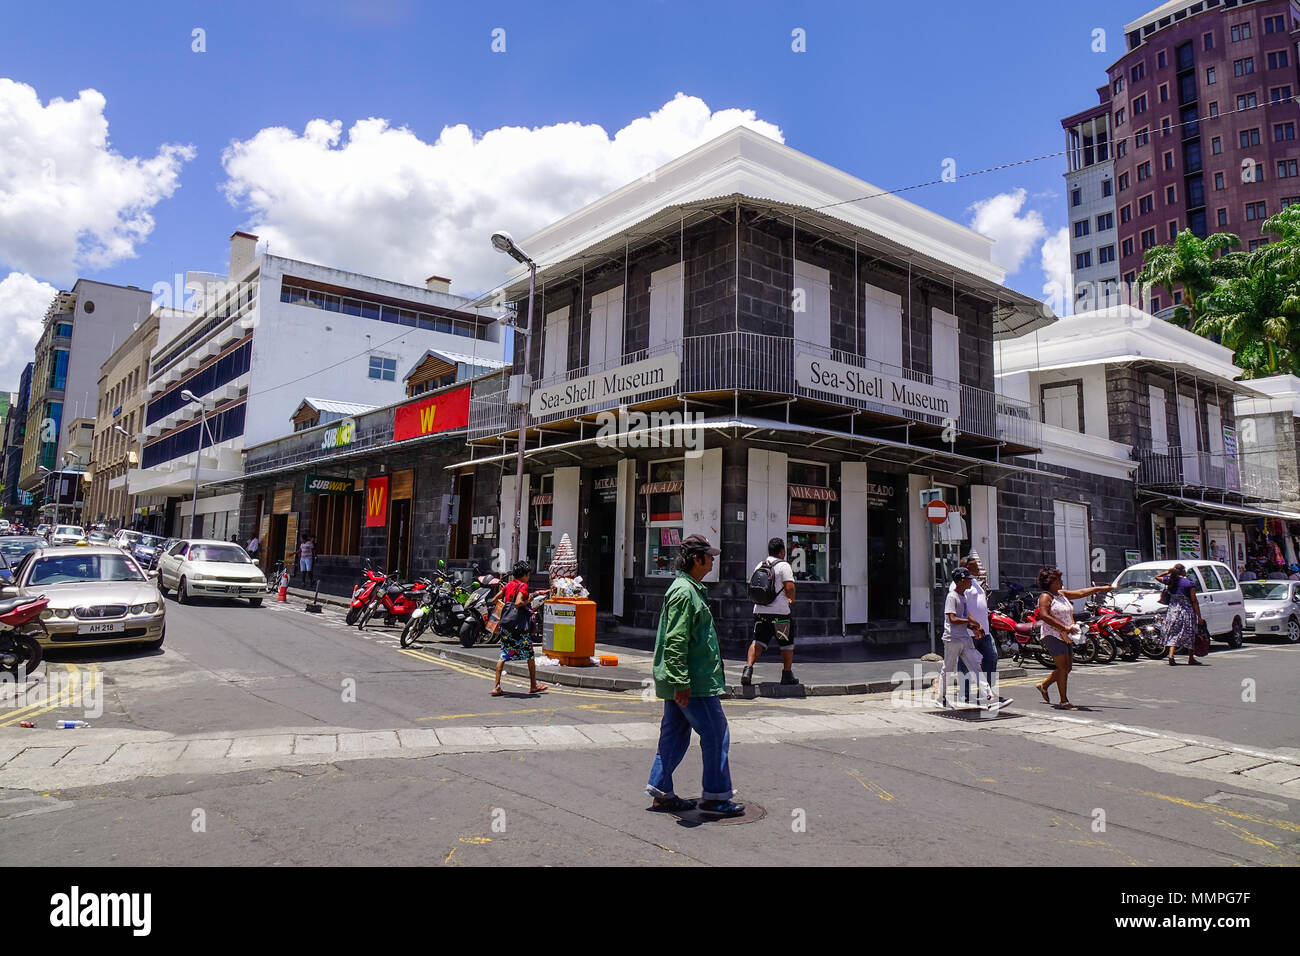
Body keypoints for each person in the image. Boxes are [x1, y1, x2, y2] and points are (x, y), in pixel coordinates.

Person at [645, 533, 743, 817]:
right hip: (694, 682)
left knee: (675, 736)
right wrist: (681, 681)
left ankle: (661, 792)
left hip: (687, 679)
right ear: (696, 559)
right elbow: (676, 640)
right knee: (716, 733)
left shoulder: (689, 589)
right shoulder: (685, 592)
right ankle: (715, 797)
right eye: (709, 556)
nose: (713, 560)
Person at [1034, 566, 1112, 709]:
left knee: (1067, 667)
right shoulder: (1046, 596)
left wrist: (1099, 589)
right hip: (1053, 634)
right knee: (1063, 667)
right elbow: (1043, 615)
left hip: (1067, 634)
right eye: (1058, 579)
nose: (1061, 581)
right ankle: (1064, 701)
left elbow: (1081, 593)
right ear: (1050, 582)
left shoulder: (1061, 594)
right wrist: (1064, 628)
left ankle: (1043, 685)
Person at [934, 566, 1010, 711]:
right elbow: (952, 619)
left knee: (976, 667)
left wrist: (976, 625)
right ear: (961, 580)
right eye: (968, 579)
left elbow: (966, 614)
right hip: (952, 639)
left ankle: (989, 699)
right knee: (948, 669)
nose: (970, 582)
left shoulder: (963, 597)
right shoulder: (952, 596)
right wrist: (970, 623)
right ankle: (940, 698)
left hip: (964, 639)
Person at [741, 536, 798, 687]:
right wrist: (791, 600)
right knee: (786, 643)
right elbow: (790, 588)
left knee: (758, 641)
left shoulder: (760, 565)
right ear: (782, 551)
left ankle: (748, 669)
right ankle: (787, 674)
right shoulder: (784, 566)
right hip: (780, 614)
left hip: (760, 611)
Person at [953, 552, 1005, 705]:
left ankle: (986, 693)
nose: (978, 569)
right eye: (974, 566)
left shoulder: (974, 583)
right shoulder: (959, 585)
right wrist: (974, 624)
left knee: (991, 658)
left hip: (984, 632)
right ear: (965, 568)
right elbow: (961, 607)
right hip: (968, 633)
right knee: (966, 665)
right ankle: (964, 694)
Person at [491, 560, 547, 697]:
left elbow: (494, 600)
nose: (529, 576)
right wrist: (529, 600)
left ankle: (497, 686)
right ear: (525, 575)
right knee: (529, 655)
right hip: (519, 626)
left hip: (506, 625)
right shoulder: (523, 586)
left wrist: (506, 607)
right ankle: (533, 685)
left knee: (503, 654)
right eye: (528, 574)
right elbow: (518, 603)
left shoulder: (509, 585)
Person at [1155, 564, 1203, 665]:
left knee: (1174, 633)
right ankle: (1191, 658)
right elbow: (1194, 601)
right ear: (1182, 571)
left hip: (1172, 612)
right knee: (1190, 633)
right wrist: (1199, 616)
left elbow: (1157, 577)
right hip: (1186, 611)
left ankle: (1171, 655)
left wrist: (1168, 571)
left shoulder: (1170, 580)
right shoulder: (1189, 583)